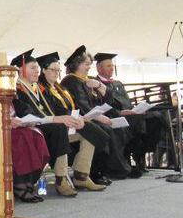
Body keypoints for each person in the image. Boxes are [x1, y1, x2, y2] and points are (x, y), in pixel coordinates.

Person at [10, 50, 103, 199]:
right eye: (33, 67)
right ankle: (61, 179)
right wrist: (59, 119)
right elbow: (29, 115)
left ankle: (81, 175)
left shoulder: (37, 88)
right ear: (21, 69)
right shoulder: (16, 90)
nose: (37, 71)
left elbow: (52, 111)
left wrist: (72, 119)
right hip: (33, 129)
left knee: (86, 130)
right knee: (59, 129)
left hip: (49, 126)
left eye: (37, 67)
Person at [37, 52, 108, 190]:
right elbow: (52, 111)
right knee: (69, 131)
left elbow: (73, 106)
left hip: (69, 124)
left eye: (58, 70)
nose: (56, 73)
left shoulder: (60, 88)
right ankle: (61, 180)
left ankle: (81, 176)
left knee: (90, 134)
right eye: (53, 70)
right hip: (52, 129)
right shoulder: (41, 89)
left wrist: (80, 118)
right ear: (44, 70)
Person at [60, 46, 131, 182]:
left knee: (120, 128)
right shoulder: (71, 81)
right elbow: (82, 106)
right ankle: (95, 172)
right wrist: (99, 117)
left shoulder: (88, 79)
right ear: (77, 64)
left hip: (95, 116)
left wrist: (99, 86)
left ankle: (113, 168)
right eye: (86, 64)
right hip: (81, 119)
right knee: (104, 129)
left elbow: (109, 101)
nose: (89, 67)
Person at [94, 52, 165, 178]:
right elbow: (99, 106)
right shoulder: (96, 85)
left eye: (112, 65)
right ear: (99, 68)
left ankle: (142, 152)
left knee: (157, 118)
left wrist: (136, 109)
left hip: (130, 114)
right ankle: (137, 156)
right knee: (139, 124)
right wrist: (121, 112)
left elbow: (127, 102)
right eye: (108, 66)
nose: (112, 68)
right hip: (113, 116)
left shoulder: (117, 83)